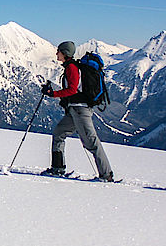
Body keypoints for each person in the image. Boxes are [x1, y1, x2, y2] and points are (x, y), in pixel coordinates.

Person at [41, 41, 114, 181]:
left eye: (59, 51)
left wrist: (52, 93)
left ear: (65, 53)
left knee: (92, 142)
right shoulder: (70, 67)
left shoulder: (72, 68)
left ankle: (106, 175)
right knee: (58, 133)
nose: (56, 53)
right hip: (74, 110)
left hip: (81, 111)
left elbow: (72, 89)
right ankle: (57, 168)